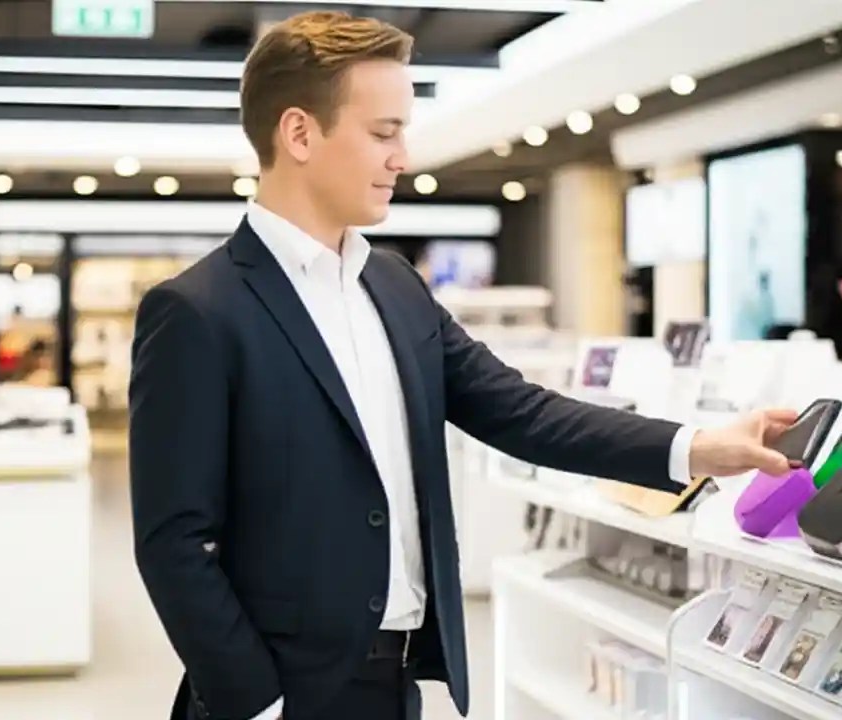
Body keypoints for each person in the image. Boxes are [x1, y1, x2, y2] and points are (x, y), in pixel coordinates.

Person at [129, 11, 796, 720]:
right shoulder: (197, 312)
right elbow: (173, 544)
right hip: (278, 696)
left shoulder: (393, 285)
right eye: (383, 132)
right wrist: (257, 702)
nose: (403, 157)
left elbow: (521, 413)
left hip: (394, 687)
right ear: (299, 133)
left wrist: (697, 447)